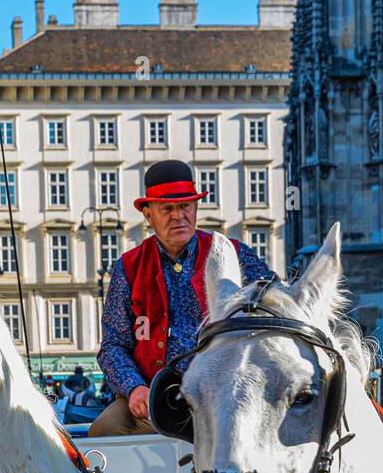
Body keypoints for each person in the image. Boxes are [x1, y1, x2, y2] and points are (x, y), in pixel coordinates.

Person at [90, 159, 276, 437]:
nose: (179, 216)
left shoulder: (234, 254)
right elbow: (113, 345)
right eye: (167, 209)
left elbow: (276, 305)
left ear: (196, 208)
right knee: (105, 430)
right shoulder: (128, 267)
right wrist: (133, 387)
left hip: (224, 392)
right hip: (153, 398)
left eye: (185, 206)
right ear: (148, 214)